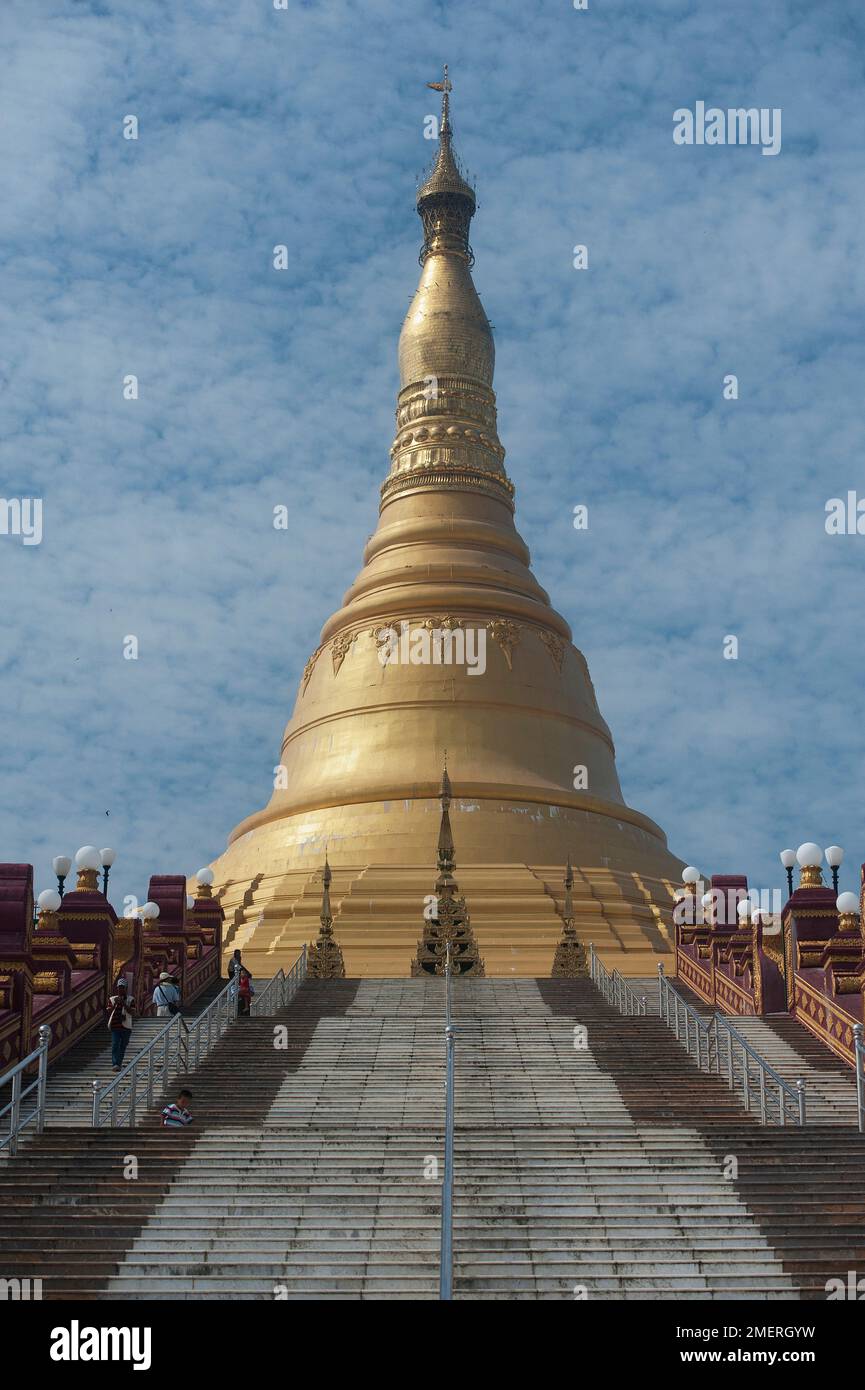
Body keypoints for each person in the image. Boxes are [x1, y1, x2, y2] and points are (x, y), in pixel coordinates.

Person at [107, 980, 135, 1072]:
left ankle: (119, 1062)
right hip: (115, 1026)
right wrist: (115, 1004)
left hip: (126, 1026)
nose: (120, 990)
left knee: (123, 1045)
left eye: (122, 988)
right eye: (119, 988)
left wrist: (123, 1003)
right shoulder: (112, 999)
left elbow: (132, 1012)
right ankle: (115, 1064)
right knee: (115, 1044)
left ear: (125, 989)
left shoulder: (130, 999)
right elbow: (109, 1011)